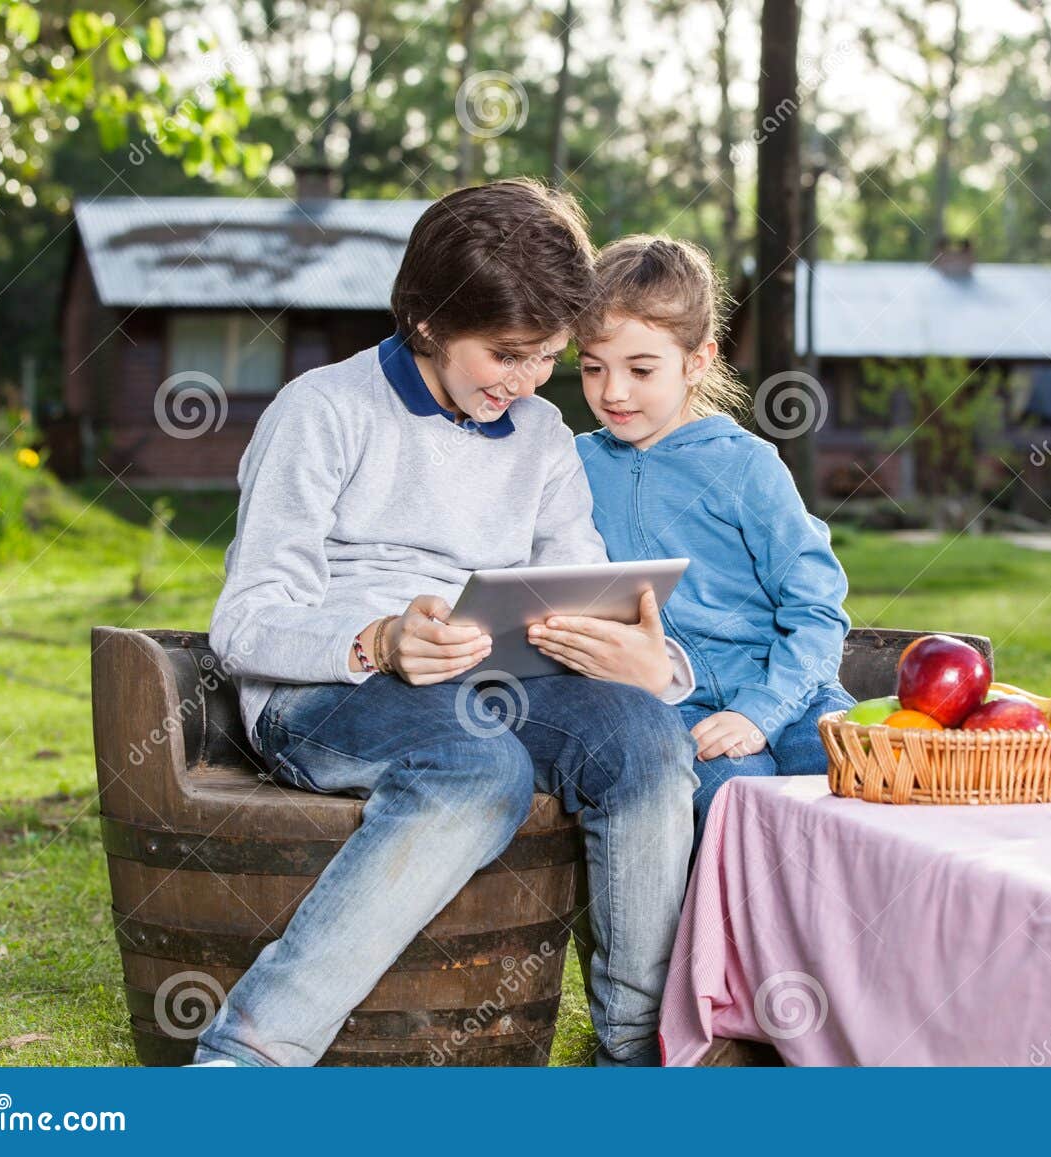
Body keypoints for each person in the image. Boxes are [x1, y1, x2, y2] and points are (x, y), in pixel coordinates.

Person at [194, 182, 698, 1068]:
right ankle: (247, 1058)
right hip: (326, 691)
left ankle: (638, 1051)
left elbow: (581, 583)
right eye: (505, 354)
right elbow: (246, 623)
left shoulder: (540, 437)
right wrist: (380, 639)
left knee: (648, 736)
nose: (528, 381)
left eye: (544, 357)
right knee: (476, 766)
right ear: (427, 321)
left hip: (489, 682)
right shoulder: (322, 411)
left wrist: (643, 657)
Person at [530, 235, 853, 853]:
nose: (612, 392)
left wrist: (761, 712)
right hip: (676, 712)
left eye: (641, 369)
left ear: (698, 362)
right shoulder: (574, 464)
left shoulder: (746, 466)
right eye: (593, 367)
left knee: (848, 793)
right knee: (741, 803)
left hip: (792, 692)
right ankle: (738, 950)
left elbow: (817, 607)